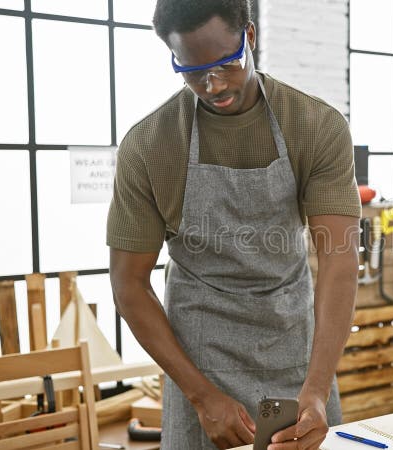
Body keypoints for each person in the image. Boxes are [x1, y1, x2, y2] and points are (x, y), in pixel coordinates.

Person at [106, 0, 361, 448]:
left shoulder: (316, 126)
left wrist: (317, 388)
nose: (213, 84)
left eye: (227, 62)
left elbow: (339, 262)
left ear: (250, 36)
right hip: (199, 360)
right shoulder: (149, 146)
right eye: (192, 70)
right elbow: (129, 284)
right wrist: (201, 396)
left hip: (294, 353)